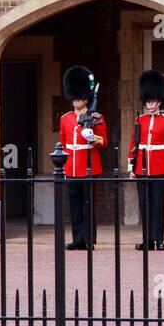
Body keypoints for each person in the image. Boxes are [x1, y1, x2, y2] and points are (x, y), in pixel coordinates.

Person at [59, 66, 107, 250]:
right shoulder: (65, 119)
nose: (75, 102)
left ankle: (89, 239)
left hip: (89, 166)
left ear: (86, 98)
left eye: (78, 98)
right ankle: (78, 238)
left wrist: (91, 137)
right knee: (74, 206)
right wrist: (63, 167)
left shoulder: (96, 117)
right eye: (74, 98)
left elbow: (104, 142)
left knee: (88, 205)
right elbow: (63, 144)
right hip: (71, 167)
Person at [128, 70, 164, 252]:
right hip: (142, 167)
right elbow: (134, 145)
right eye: (148, 102)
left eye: (153, 102)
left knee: (158, 206)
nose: (150, 105)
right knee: (145, 206)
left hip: (159, 168)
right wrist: (132, 166)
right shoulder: (140, 120)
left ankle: (159, 239)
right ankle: (147, 239)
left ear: (159, 102)